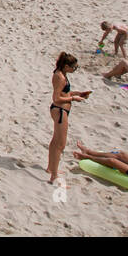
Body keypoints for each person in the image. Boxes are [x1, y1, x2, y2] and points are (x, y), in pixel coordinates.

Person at [47, 52, 90, 184]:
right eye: (74, 67)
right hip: (60, 110)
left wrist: (77, 93)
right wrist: (73, 98)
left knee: (56, 141)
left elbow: (64, 92)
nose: (74, 70)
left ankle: (51, 168)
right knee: (60, 143)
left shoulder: (62, 74)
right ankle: (54, 175)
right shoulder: (59, 77)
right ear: (66, 66)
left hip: (62, 110)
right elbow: (56, 98)